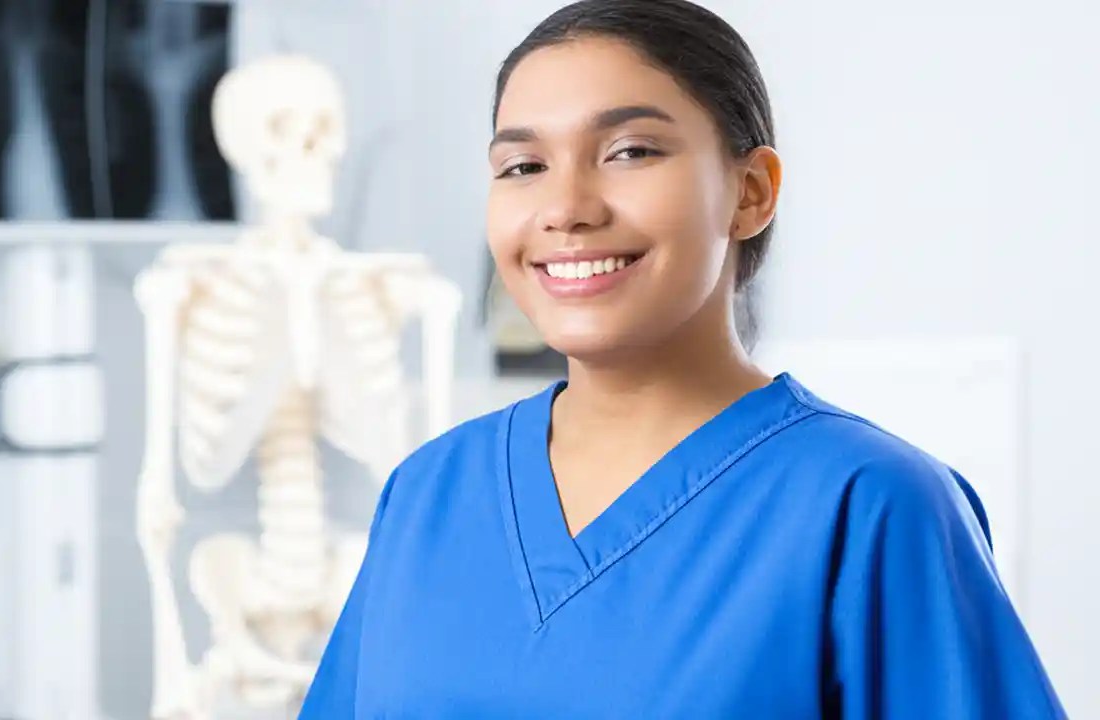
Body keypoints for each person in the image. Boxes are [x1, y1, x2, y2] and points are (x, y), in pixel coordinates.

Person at [298, 1, 1066, 717]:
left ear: (752, 192)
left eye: (631, 151)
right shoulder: (429, 494)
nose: (567, 208)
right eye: (523, 166)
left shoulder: (870, 504)